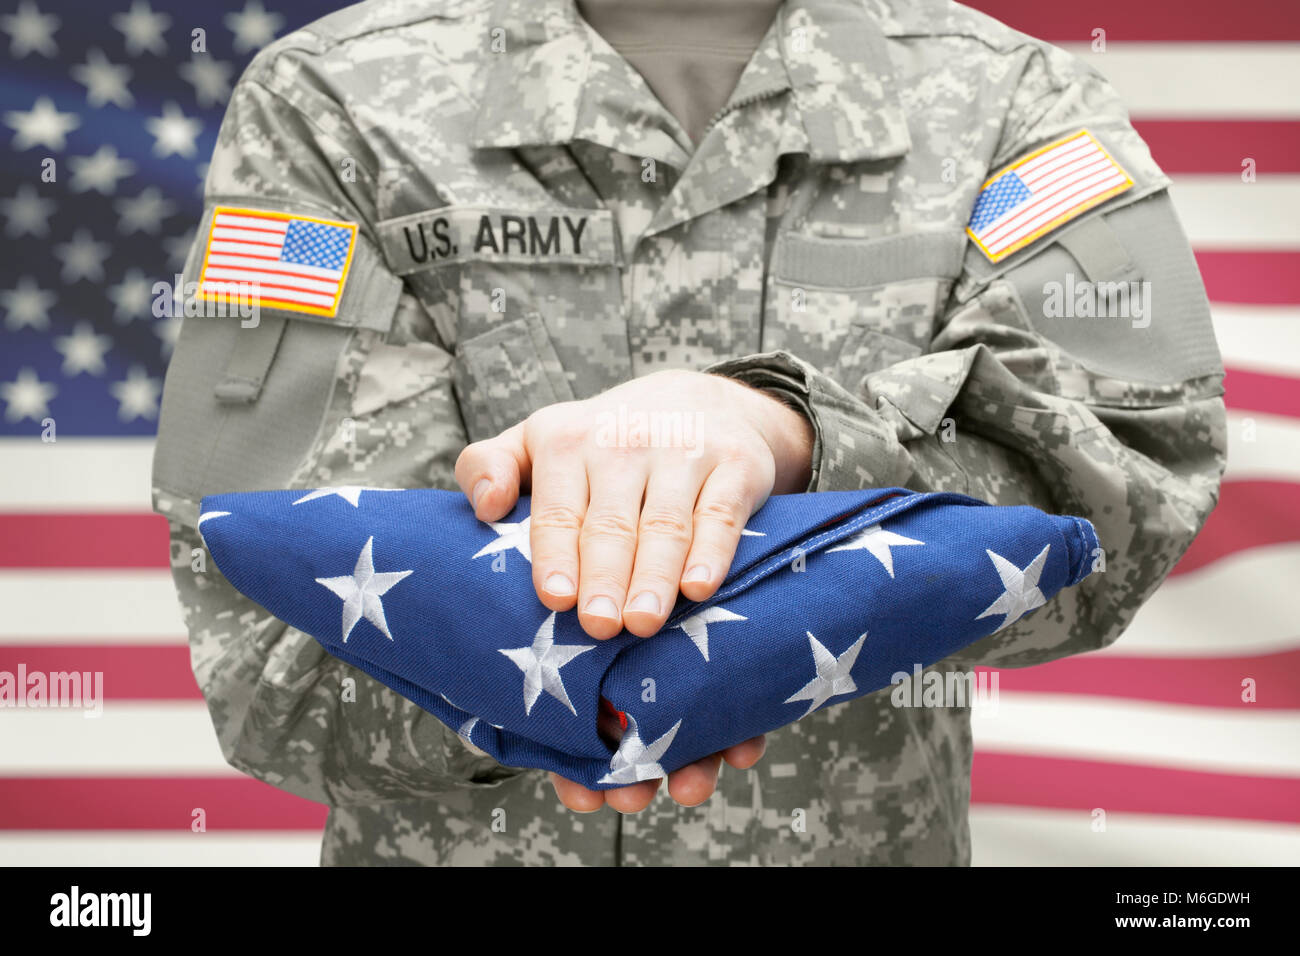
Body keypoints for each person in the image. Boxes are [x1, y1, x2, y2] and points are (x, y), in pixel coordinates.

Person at [152, 0, 1226, 865]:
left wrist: (793, 429)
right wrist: (645, 679)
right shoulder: (334, 107)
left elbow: (1131, 487)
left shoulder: (1011, 100)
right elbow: (277, 651)